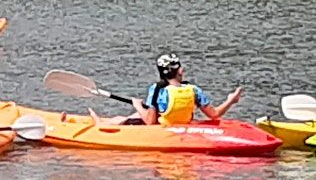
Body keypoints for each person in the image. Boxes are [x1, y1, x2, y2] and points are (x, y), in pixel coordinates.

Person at [91, 53, 243, 126]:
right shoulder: (193, 89)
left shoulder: (157, 90)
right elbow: (214, 115)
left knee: (133, 115)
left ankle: (103, 124)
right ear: (180, 71)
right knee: (136, 113)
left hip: (163, 127)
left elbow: (150, 122)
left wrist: (137, 104)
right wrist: (230, 101)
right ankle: (102, 123)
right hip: (179, 125)